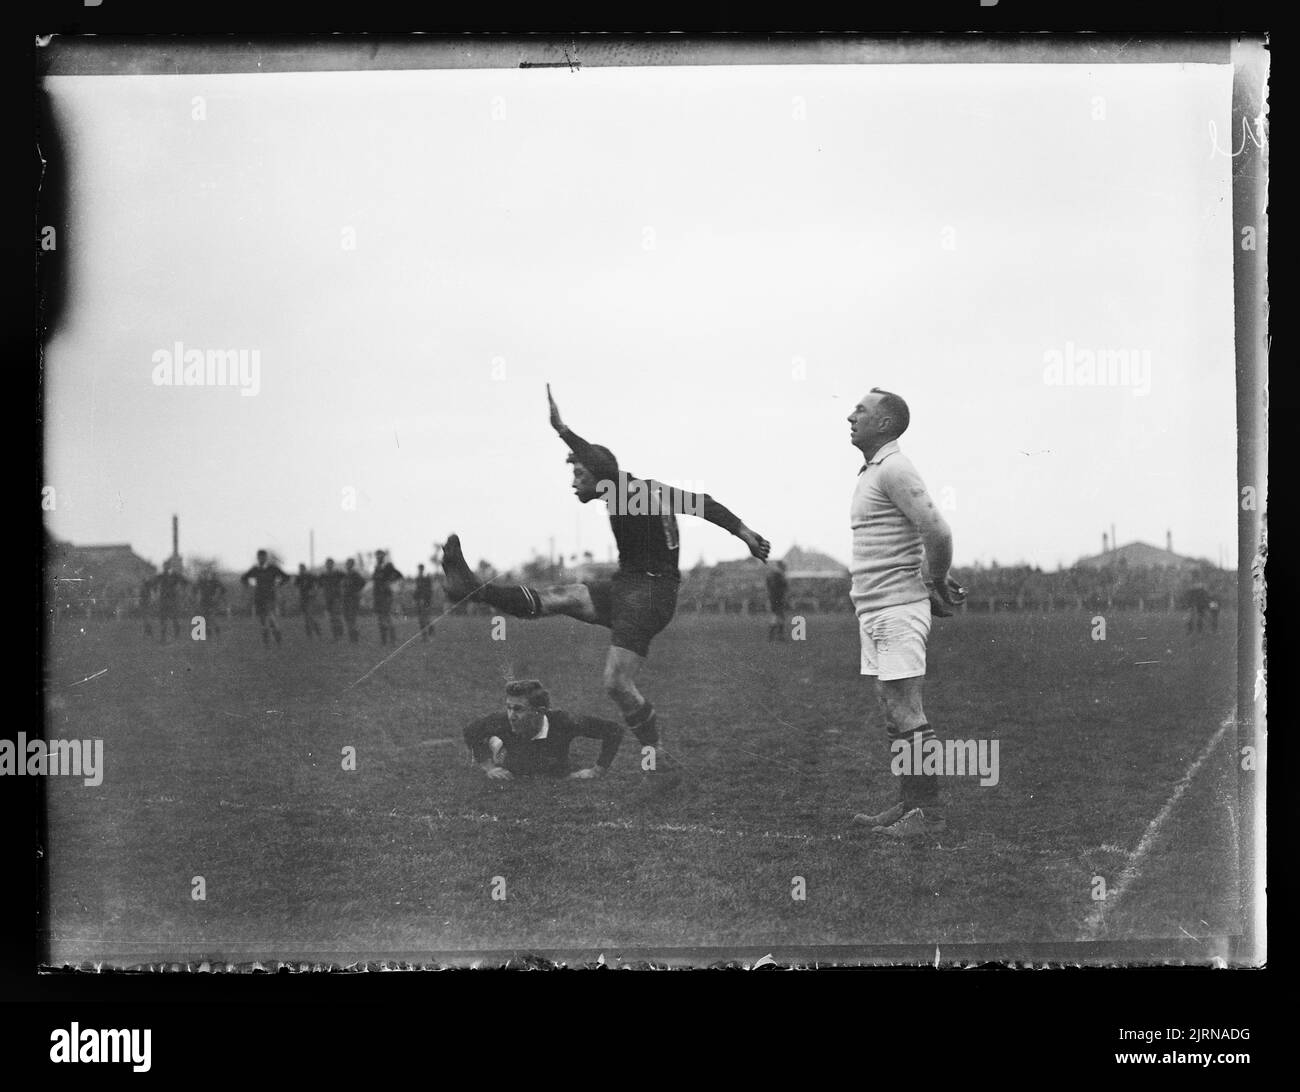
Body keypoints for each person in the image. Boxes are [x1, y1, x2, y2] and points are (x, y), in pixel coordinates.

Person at [442, 384, 770, 765]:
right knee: (560, 597)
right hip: (627, 586)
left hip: (650, 596)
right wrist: (744, 533)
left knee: (615, 683)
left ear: (598, 474)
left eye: (579, 473)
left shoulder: (621, 488)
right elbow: (703, 504)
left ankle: (655, 753)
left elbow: (609, 467)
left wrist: (562, 430)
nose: (573, 481)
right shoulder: (641, 489)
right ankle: (472, 589)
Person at [845, 388, 965, 840]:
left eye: (861, 410)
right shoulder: (874, 469)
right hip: (875, 607)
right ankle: (909, 805)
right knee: (892, 712)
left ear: (885, 424)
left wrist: (935, 580)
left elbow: (936, 527)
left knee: (906, 709)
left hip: (898, 606)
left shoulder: (895, 467)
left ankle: (927, 815)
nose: (850, 415)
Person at [463, 679, 624, 780]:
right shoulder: (501, 720)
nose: (511, 715)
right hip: (504, 752)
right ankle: (495, 743)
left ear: (539, 711)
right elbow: (471, 732)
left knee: (550, 767)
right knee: (503, 751)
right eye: (509, 708)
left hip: (541, 754)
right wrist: (489, 768)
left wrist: (598, 770)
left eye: (518, 709)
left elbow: (614, 730)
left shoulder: (563, 721)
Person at [240, 550, 290, 646]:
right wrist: (249, 585)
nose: (261, 559)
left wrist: (278, 584)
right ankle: (275, 632)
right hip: (259, 596)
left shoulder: (273, 568)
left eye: (263, 557)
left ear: (266, 557)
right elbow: (243, 578)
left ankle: (268, 636)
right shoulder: (255, 569)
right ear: (258, 558)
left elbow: (286, 577)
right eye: (259, 557)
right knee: (263, 618)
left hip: (270, 595)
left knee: (269, 614)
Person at [148, 561, 189, 644]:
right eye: (164, 566)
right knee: (163, 619)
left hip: (172, 600)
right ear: (163, 567)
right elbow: (152, 584)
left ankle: (177, 635)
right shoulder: (161, 576)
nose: (166, 568)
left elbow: (186, 582)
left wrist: (182, 591)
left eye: (167, 566)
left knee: (174, 618)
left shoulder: (175, 576)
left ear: (169, 567)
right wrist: (154, 592)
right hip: (163, 600)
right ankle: (163, 636)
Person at [370, 550, 404, 646]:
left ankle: (393, 640)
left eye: (380, 556)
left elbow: (399, 575)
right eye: (377, 556)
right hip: (377, 596)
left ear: (383, 557)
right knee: (380, 619)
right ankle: (383, 641)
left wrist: (390, 582)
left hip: (386, 596)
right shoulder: (376, 568)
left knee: (387, 618)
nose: (378, 557)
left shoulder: (388, 566)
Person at [295, 563, 324, 639]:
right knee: (306, 617)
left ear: (305, 569)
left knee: (309, 615)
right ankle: (310, 634)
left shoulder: (310, 576)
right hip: (303, 598)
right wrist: (298, 596)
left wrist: (315, 591)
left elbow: (319, 582)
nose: (301, 570)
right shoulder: (298, 577)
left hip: (310, 598)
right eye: (300, 568)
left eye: (302, 568)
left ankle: (317, 632)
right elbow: (297, 586)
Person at [318, 558, 345, 641]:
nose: (328, 565)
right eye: (327, 564)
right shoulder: (323, 575)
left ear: (333, 564)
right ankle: (336, 635)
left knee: (336, 616)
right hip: (328, 597)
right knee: (331, 617)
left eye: (330, 564)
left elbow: (346, 578)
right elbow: (319, 584)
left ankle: (339, 632)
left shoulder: (338, 573)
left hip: (336, 597)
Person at [341, 558, 366, 643]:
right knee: (347, 618)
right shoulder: (346, 575)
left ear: (352, 564)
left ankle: (354, 638)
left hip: (352, 599)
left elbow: (363, 582)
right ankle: (352, 638)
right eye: (347, 563)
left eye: (349, 563)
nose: (347, 565)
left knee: (352, 619)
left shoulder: (355, 574)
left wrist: (356, 591)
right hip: (346, 599)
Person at [195, 571, 226, 637]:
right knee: (205, 616)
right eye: (205, 575)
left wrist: (216, 596)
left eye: (208, 575)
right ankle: (208, 631)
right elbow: (195, 589)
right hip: (203, 601)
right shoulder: (202, 582)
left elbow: (223, 590)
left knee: (211, 617)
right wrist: (198, 598)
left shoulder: (215, 582)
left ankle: (216, 629)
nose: (207, 576)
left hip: (211, 602)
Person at [766, 560, 789, 642]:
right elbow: (783, 587)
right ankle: (778, 635)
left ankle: (774, 635)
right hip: (778, 598)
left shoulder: (771, 575)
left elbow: (769, 586)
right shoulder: (778, 575)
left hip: (773, 597)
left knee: (776, 615)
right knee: (779, 615)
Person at [413, 563, 435, 641]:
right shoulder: (417, 579)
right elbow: (416, 590)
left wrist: (424, 599)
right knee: (421, 620)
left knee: (426, 619)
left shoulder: (426, 579)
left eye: (420, 569)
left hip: (425, 601)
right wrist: (416, 599)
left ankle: (430, 635)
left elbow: (428, 591)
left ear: (422, 569)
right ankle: (424, 636)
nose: (420, 570)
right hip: (419, 601)